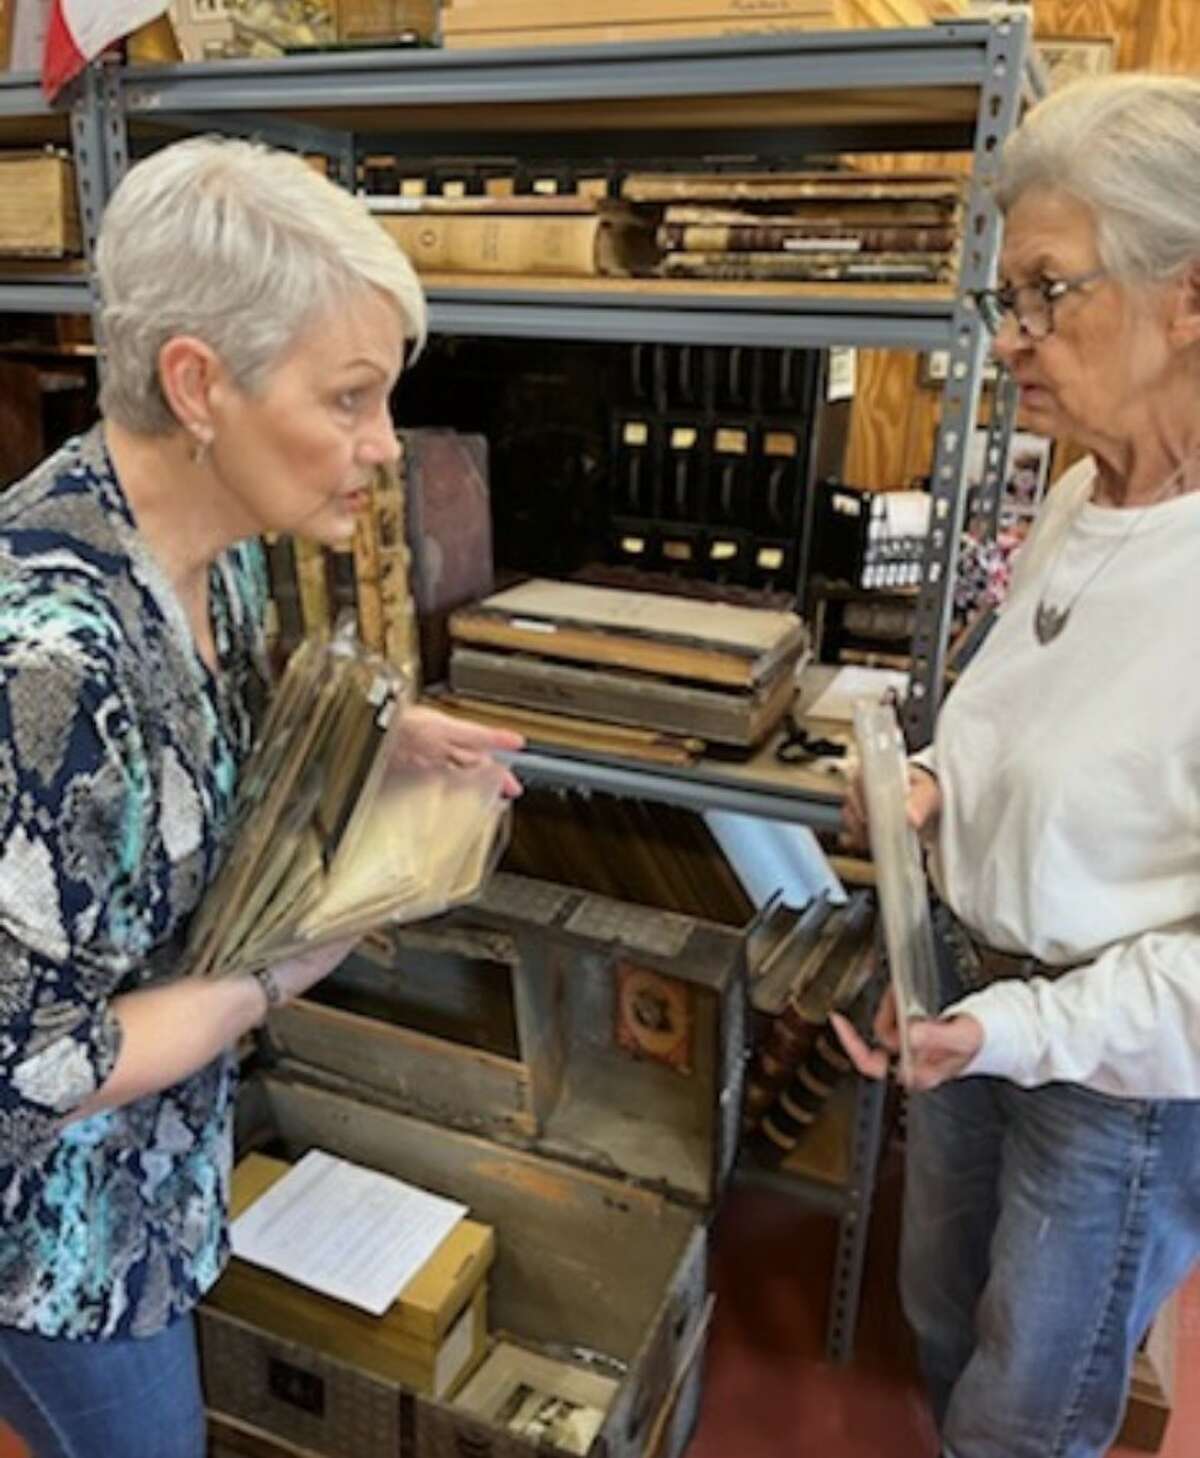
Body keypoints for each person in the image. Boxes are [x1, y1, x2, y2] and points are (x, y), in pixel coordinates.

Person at [0, 136, 522, 1458]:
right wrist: (289, 969)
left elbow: (217, 742)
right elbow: (30, 1071)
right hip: (49, 1235)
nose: (384, 446)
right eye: (348, 398)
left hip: (151, 1158)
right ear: (199, 384)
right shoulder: (49, 665)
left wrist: (376, 741)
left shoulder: (197, 540)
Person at [832, 73, 1200, 1458]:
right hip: (979, 1002)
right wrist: (922, 789)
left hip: (1111, 1089)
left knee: (1021, 1416)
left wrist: (1014, 1031)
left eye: (1051, 292)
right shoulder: (1080, 495)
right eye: (1010, 300)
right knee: (940, 1322)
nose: (1017, 343)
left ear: (1190, 296)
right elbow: (1005, 718)